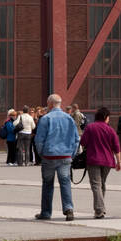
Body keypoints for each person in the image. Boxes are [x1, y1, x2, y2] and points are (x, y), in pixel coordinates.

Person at [33, 93, 80, 222]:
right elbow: (76, 139)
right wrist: (72, 154)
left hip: (49, 155)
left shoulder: (46, 119)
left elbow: (39, 140)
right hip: (65, 156)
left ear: (50, 104)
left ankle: (46, 212)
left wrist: (41, 154)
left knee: (48, 184)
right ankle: (68, 209)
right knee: (65, 183)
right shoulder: (69, 118)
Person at [79, 107, 121, 218]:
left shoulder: (90, 127)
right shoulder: (110, 130)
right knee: (101, 184)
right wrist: (119, 162)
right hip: (107, 161)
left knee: (96, 185)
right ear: (105, 117)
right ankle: (101, 208)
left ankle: (99, 210)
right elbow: (117, 147)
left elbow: (83, 142)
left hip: (93, 160)